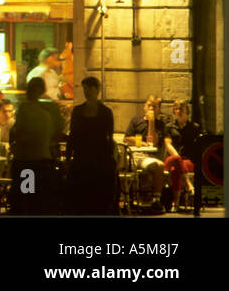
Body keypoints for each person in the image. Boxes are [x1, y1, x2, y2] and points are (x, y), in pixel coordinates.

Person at [9, 77, 65, 215]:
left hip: (27, 161)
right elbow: (58, 131)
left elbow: (18, 133)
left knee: (26, 198)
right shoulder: (50, 108)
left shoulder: (25, 108)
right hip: (43, 160)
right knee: (39, 200)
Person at [66, 76, 116, 215]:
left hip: (99, 160)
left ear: (97, 89)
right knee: (82, 197)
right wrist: (68, 158)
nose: (86, 91)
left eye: (88, 88)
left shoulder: (106, 112)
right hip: (82, 158)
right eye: (84, 88)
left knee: (96, 198)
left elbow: (109, 137)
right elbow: (73, 135)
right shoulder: (77, 111)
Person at [124, 95, 169, 211]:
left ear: (158, 109)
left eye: (154, 107)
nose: (151, 109)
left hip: (150, 156)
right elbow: (127, 138)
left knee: (159, 166)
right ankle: (126, 200)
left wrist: (151, 122)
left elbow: (153, 143)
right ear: (144, 106)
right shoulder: (135, 120)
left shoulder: (160, 124)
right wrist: (141, 143)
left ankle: (156, 200)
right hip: (134, 156)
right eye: (149, 106)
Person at [163, 99, 200, 211]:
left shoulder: (194, 127)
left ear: (187, 112)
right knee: (176, 160)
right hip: (171, 159)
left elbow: (198, 147)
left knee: (175, 170)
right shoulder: (169, 127)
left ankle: (176, 204)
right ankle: (189, 184)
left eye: (181, 109)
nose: (178, 111)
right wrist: (177, 157)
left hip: (187, 161)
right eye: (176, 109)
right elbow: (168, 145)